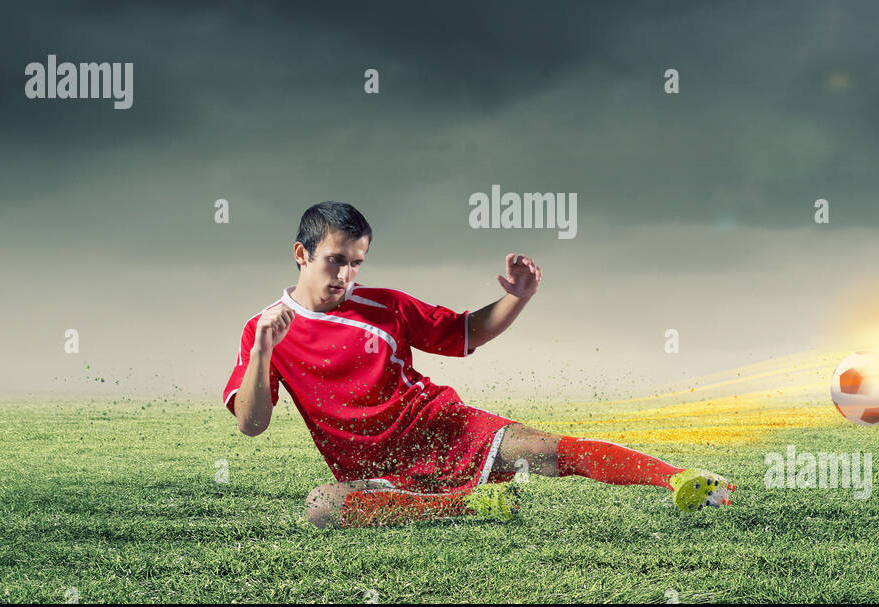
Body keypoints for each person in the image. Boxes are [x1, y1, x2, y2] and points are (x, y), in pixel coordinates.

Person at [223, 201, 734, 528]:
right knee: (322, 508)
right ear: (301, 253)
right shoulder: (262, 329)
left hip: (439, 427)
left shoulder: (388, 306)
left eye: (358, 261)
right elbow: (252, 425)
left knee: (545, 449)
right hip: (373, 469)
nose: (348, 273)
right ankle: (469, 504)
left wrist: (519, 298)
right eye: (337, 259)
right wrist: (266, 350)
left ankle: (682, 480)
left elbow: (466, 332)